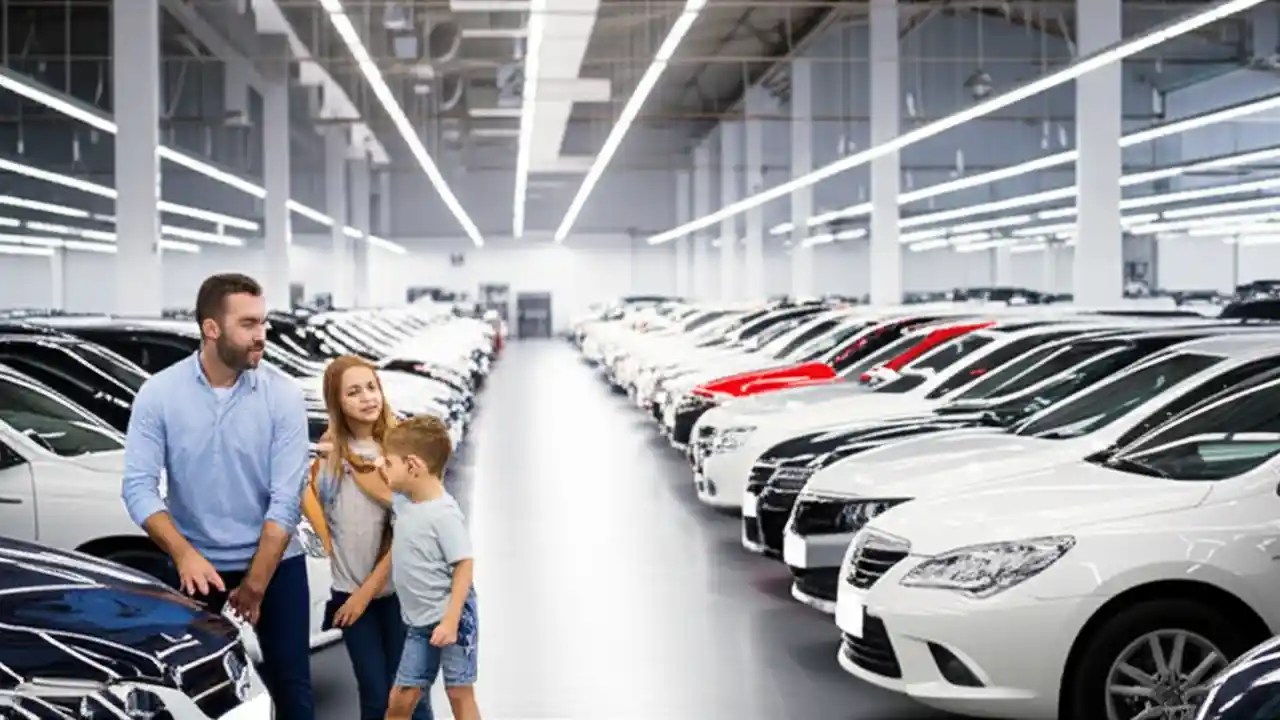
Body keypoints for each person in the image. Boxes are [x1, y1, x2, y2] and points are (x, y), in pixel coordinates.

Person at [121, 273, 314, 720]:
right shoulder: (160, 395)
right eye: (248, 324)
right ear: (212, 328)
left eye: (263, 322)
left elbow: (286, 499)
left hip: (275, 565)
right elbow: (138, 487)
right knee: (196, 694)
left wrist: (257, 584)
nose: (261, 335)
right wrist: (184, 554)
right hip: (196, 567)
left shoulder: (282, 395)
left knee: (292, 686)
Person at [300, 355, 431, 720]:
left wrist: (363, 595)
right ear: (336, 402)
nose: (367, 397)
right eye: (353, 392)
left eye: (371, 387)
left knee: (411, 695)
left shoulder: (401, 453)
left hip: (399, 594)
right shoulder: (329, 459)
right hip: (349, 594)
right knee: (373, 695)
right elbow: (315, 514)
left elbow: (408, 529)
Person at [380, 416, 481, 720]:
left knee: (459, 693)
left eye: (389, 464)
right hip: (420, 622)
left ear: (412, 466)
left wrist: (450, 621)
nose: (383, 469)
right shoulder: (405, 500)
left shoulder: (444, 514)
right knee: (400, 699)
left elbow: (464, 565)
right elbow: (379, 477)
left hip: (454, 617)